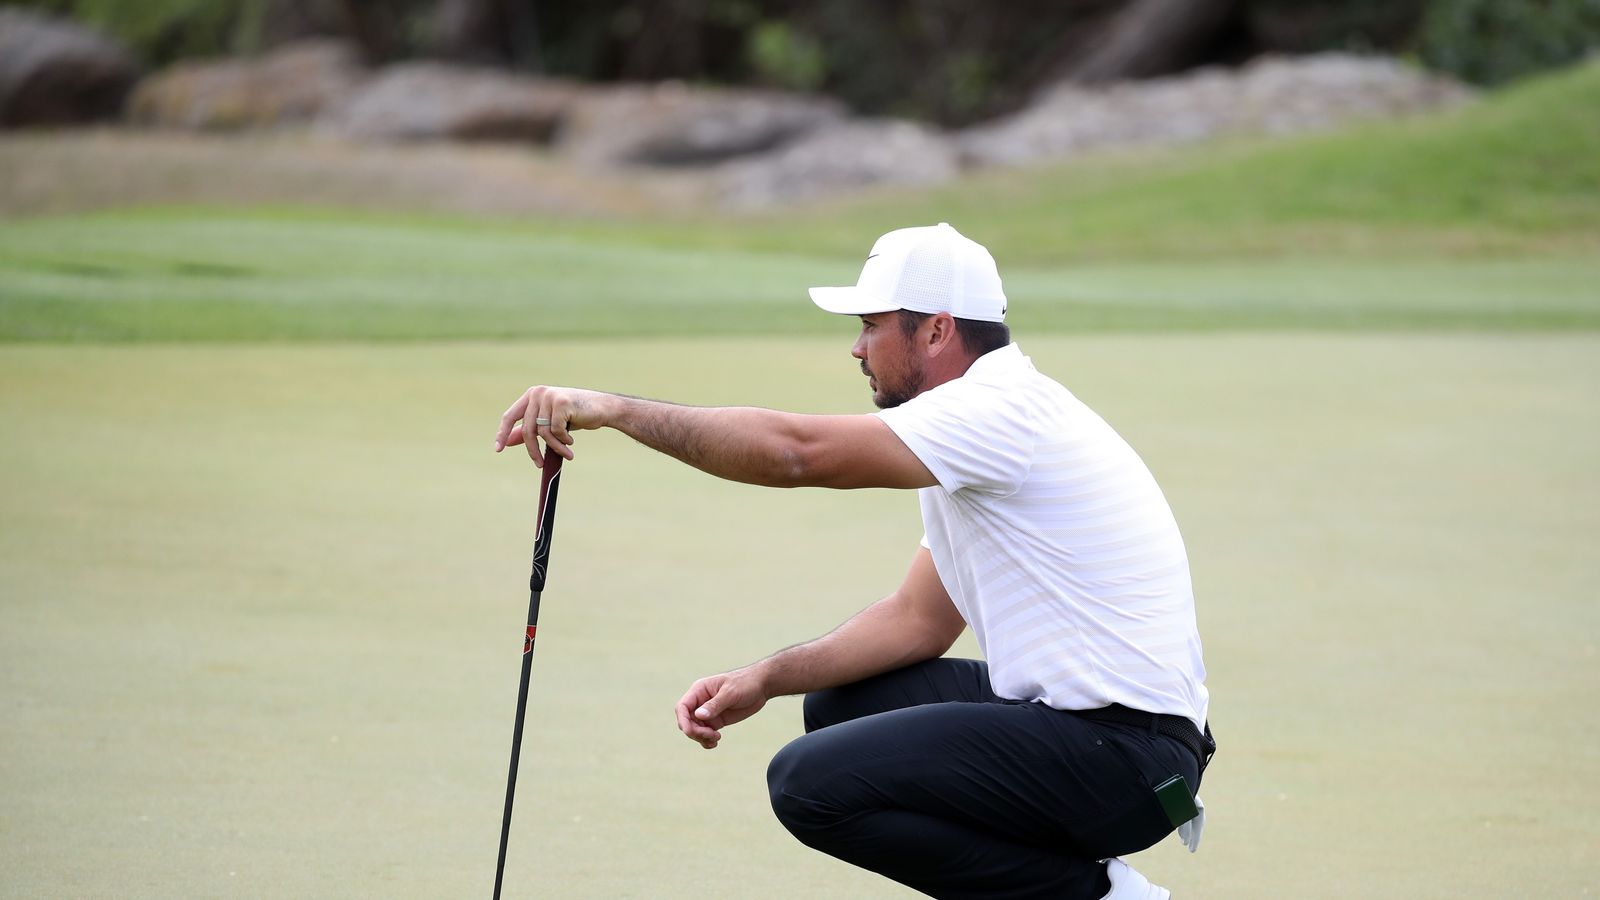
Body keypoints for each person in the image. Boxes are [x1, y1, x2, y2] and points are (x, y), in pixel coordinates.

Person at [493, 223, 1213, 900]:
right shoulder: (976, 426)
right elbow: (915, 621)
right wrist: (764, 678)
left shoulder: (996, 413)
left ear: (936, 330)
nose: (857, 349)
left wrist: (614, 410)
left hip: (1128, 759)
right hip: (1101, 740)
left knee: (808, 784)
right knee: (840, 703)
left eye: (871, 326)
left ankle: (1098, 895)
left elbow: (794, 454)